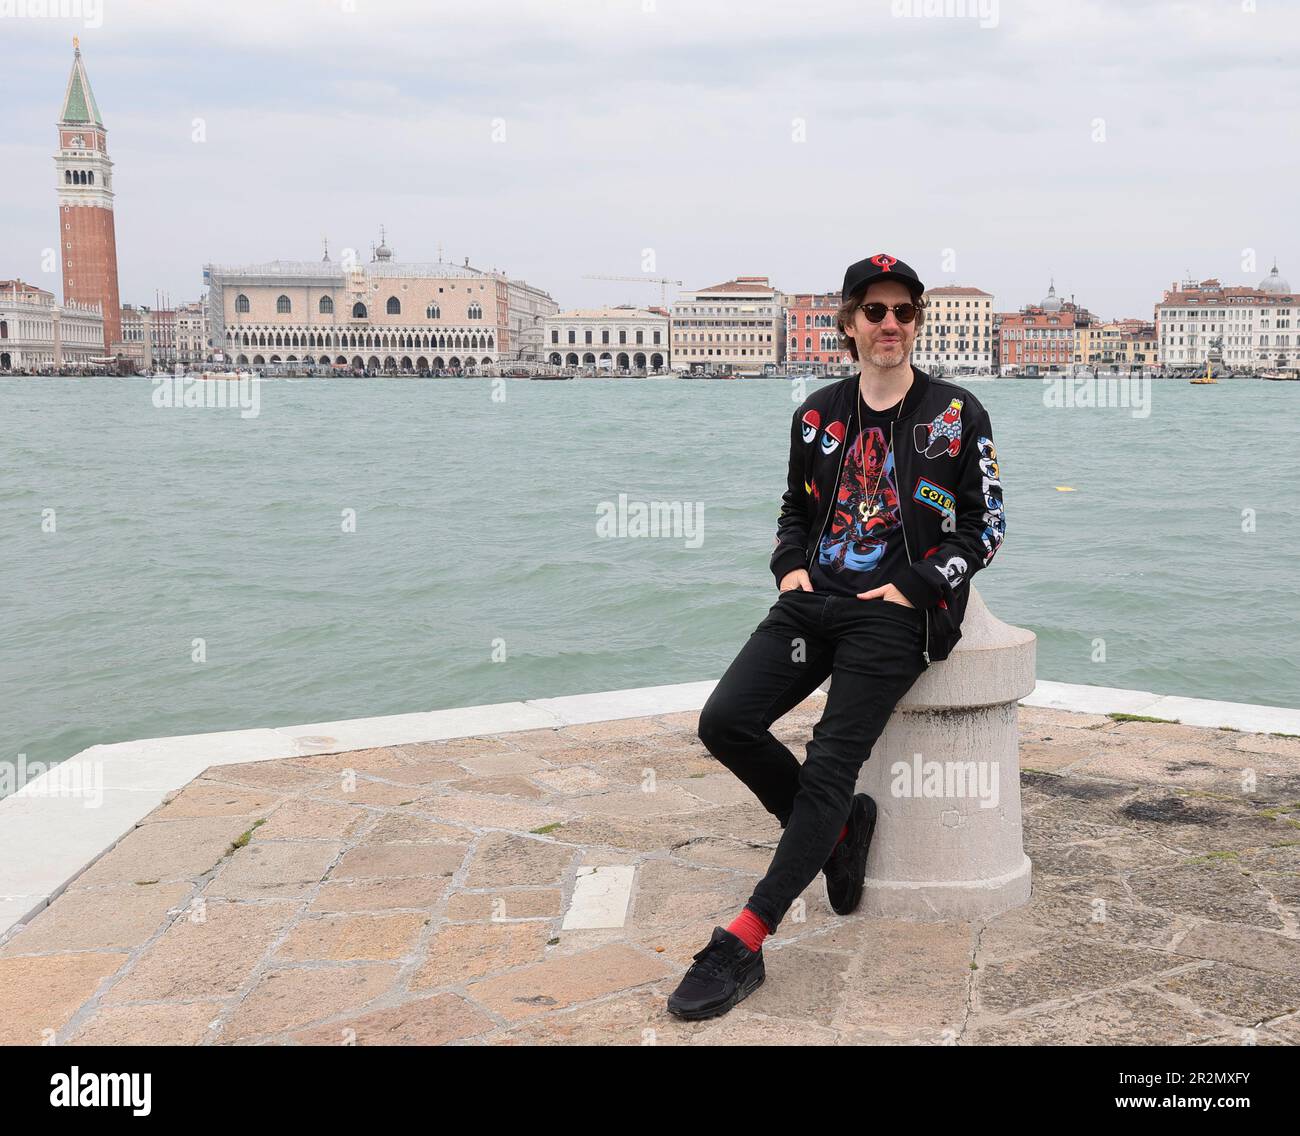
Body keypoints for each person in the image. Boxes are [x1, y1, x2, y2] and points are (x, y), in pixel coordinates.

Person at [667, 254, 1006, 1020]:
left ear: (918, 322)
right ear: (848, 324)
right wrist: (789, 567)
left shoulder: (957, 413)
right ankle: (839, 827)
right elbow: (794, 506)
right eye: (875, 311)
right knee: (724, 723)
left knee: (827, 763)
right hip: (811, 602)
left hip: (898, 615)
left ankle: (745, 938)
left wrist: (918, 584)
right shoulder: (816, 413)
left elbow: (988, 527)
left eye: (905, 312)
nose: (891, 325)